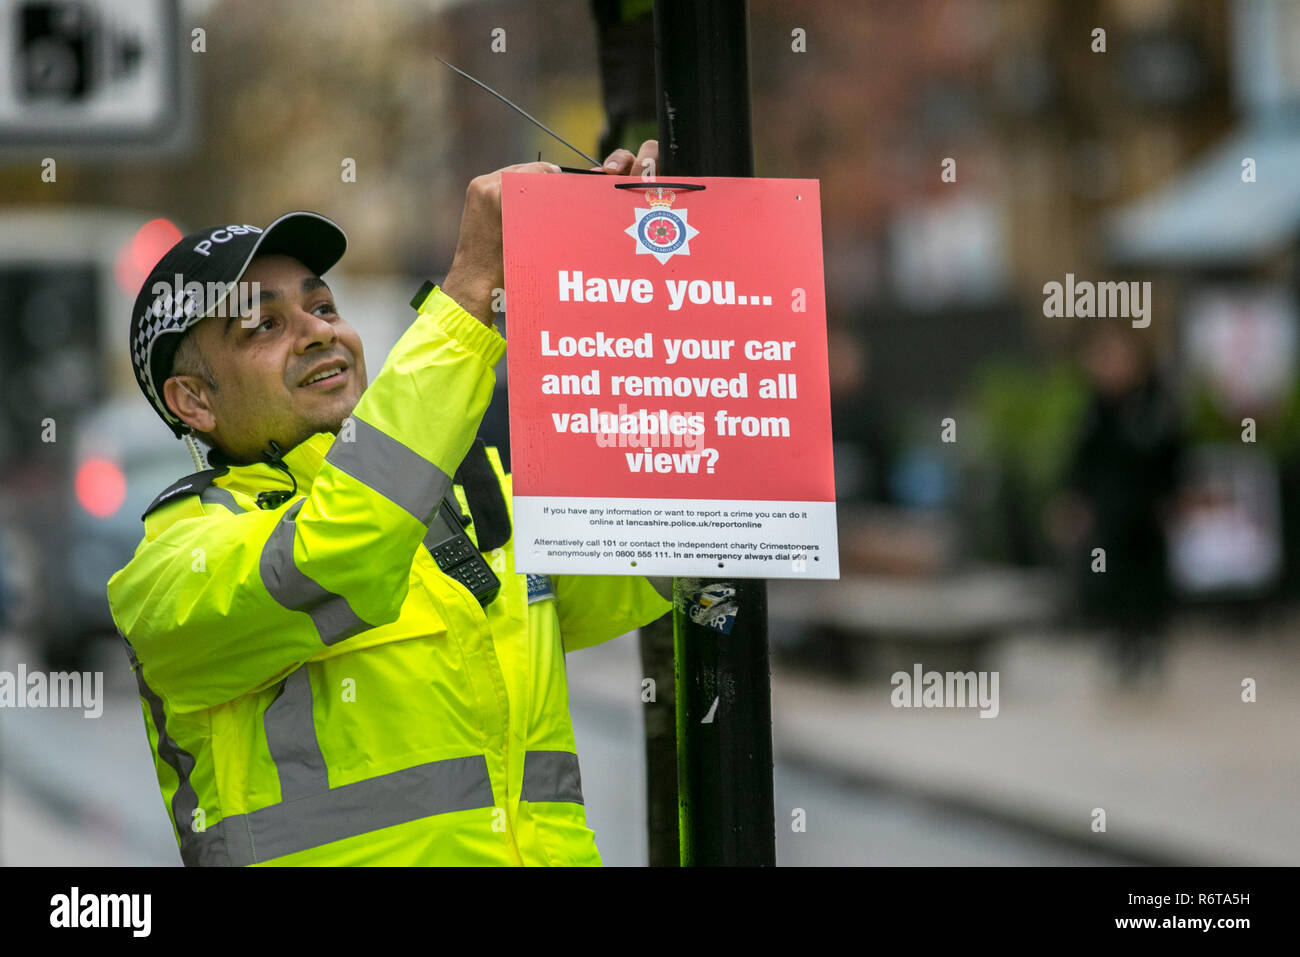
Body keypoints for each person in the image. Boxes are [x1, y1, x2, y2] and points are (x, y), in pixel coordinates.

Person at [107, 143, 672, 866]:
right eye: (264, 325)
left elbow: (657, 545)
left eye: (321, 304)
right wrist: (467, 291)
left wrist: (649, 281)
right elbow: (341, 549)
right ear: (194, 399)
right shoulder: (172, 570)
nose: (317, 330)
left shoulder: (468, 496)